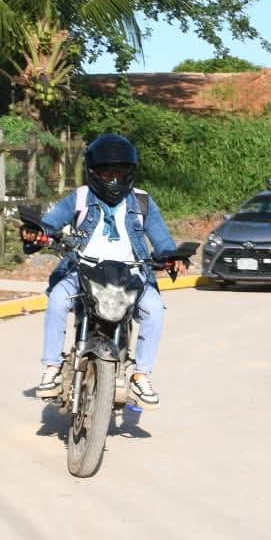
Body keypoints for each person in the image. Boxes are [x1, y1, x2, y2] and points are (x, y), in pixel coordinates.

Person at [34, 133, 185, 406]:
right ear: (93, 173)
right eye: (106, 173)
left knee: (154, 311)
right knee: (57, 300)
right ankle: (52, 368)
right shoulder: (79, 198)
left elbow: (162, 240)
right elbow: (51, 222)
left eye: (120, 172)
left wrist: (171, 256)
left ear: (131, 172)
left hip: (131, 275)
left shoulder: (143, 202)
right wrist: (39, 232)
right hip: (82, 271)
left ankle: (141, 375)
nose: (114, 179)